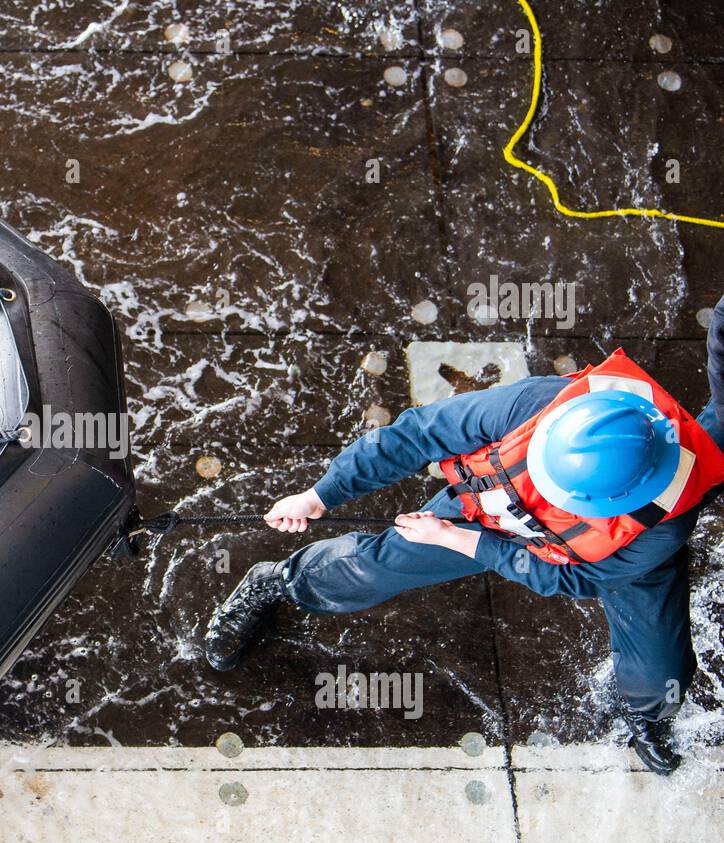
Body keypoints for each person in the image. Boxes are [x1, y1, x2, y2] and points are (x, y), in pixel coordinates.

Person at [205, 305, 724, 775]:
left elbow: (575, 576)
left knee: (661, 675)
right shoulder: (540, 403)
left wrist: (467, 544)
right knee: (379, 565)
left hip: (607, 553)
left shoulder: (664, 524)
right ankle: (277, 583)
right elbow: (416, 435)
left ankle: (646, 713)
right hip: (495, 505)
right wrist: (320, 495)